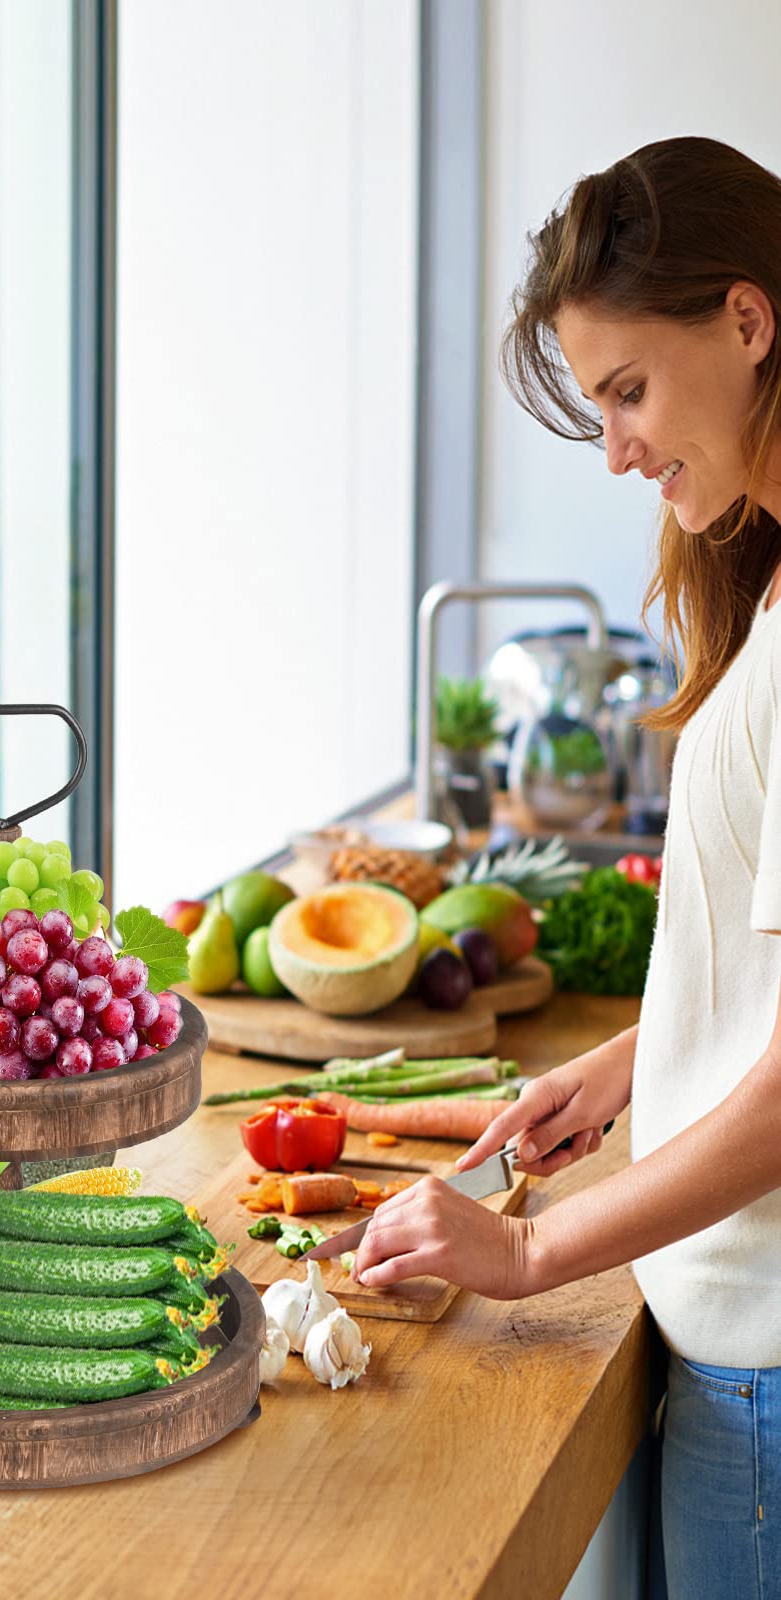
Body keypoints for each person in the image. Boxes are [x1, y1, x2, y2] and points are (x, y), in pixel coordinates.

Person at [351, 136, 781, 1599]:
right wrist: (633, 1063)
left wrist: (530, 1258)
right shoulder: (770, 576)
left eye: (628, 391)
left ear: (747, 319)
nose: (616, 450)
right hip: (730, 1341)